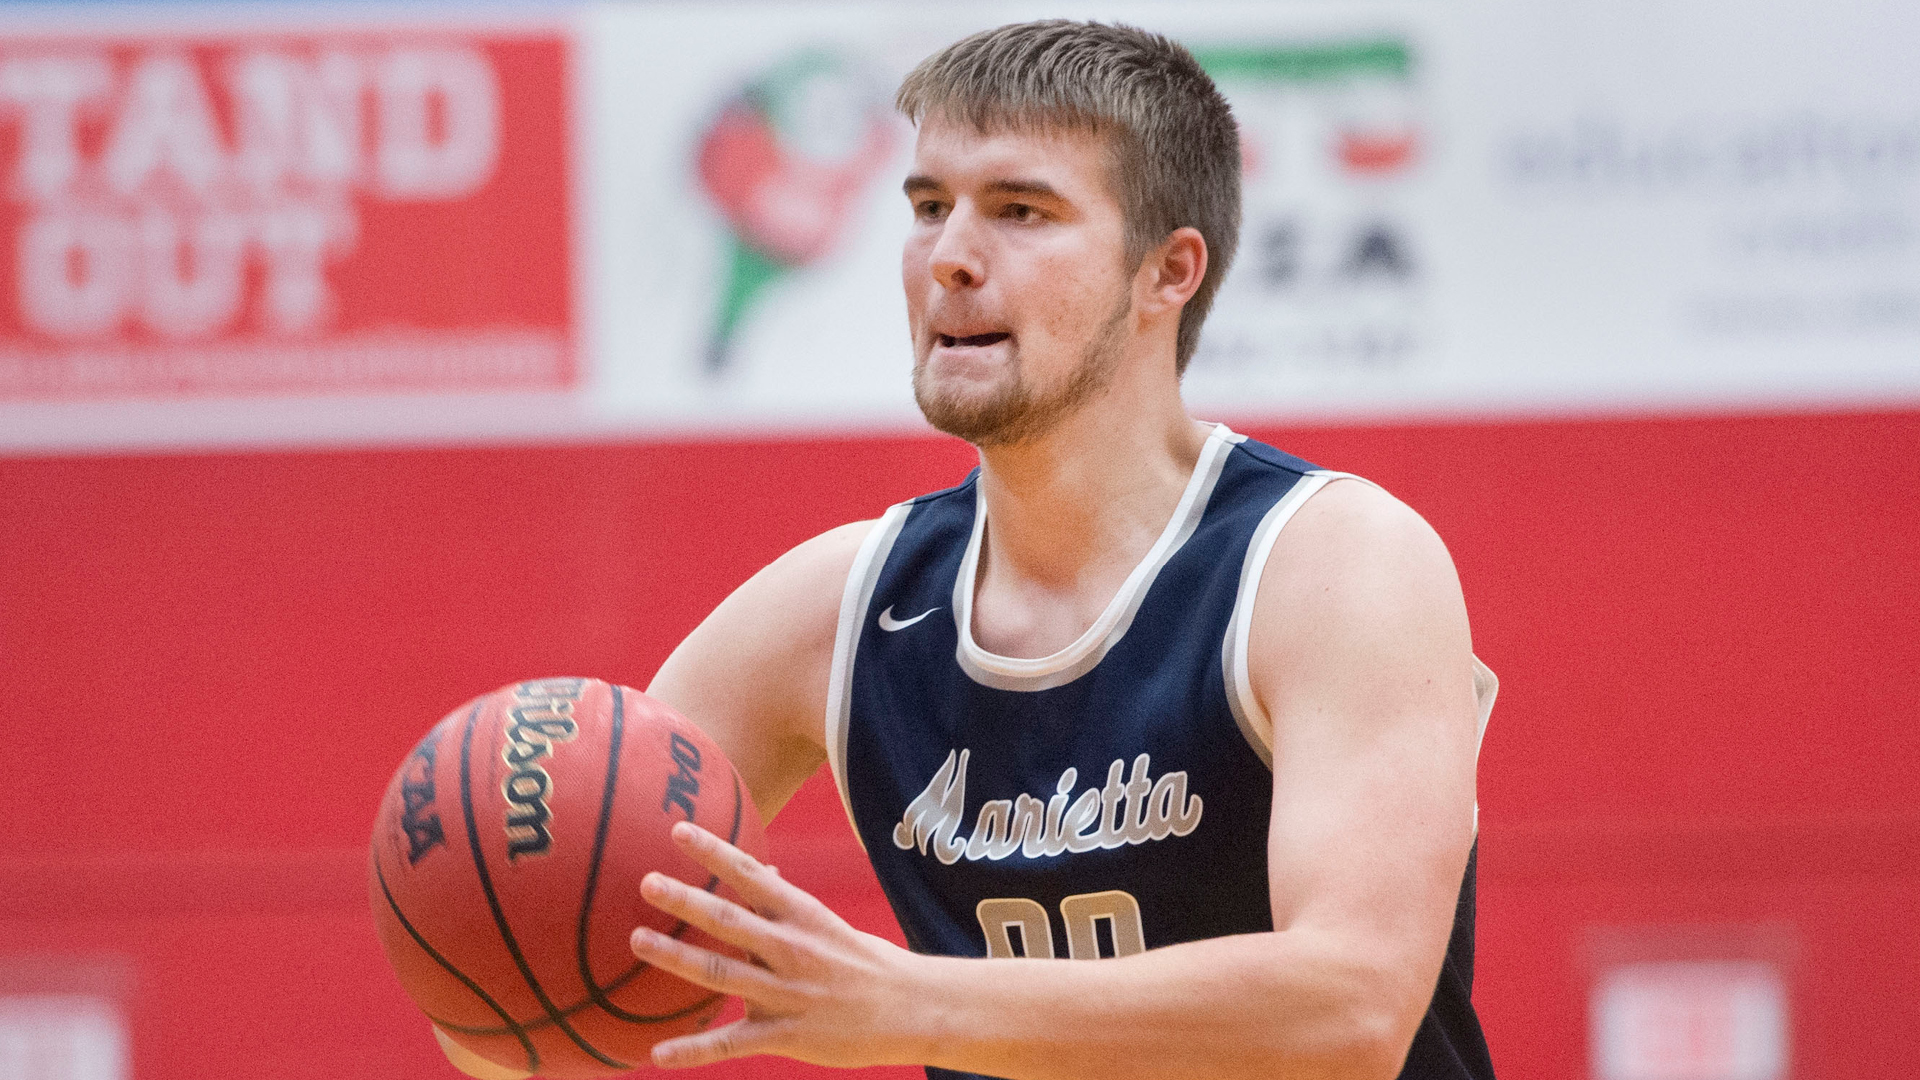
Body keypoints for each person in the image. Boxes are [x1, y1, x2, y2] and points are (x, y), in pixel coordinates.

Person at [629, 20, 1498, 1080]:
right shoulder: (840, 610)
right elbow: (560, 921)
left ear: (1166, 273)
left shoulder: (1330, 564)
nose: (949, 253)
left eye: (1019, 210)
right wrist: (494, 992)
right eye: (928, 206)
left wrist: (912, 1007)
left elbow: (1353, 1007)